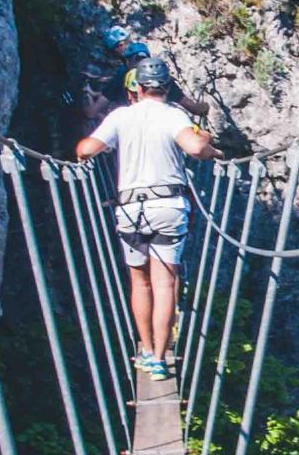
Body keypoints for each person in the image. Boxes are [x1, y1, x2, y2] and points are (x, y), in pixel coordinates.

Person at [75, 55, 220, 379]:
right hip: (168, 206)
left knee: (140, 283)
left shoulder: (120, 116)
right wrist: (209, 145)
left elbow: (86, 150)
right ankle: (159, 359)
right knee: (165, 283)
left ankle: (145, 349)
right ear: (166, 88)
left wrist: (82, 148)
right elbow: (196, 148)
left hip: (130, 210)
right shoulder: (174, 115)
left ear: (138, 88)